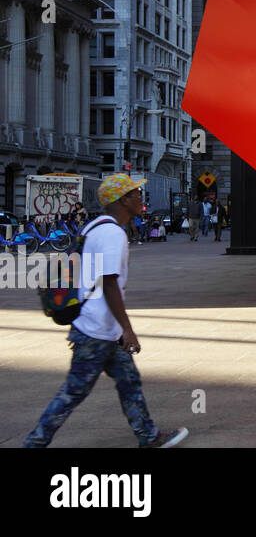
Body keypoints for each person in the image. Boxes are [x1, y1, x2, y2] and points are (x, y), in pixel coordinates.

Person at [24, 174, 188, 448]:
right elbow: (109, 283)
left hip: (103, 329)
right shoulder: (112, 233)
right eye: (136, 194)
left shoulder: (96, 227)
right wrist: (128, 329)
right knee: (72, 393)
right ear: (123, 200)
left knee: (129, 382)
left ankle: (149, 437)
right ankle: (33, 443)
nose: (141, 199)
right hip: (95, 330)